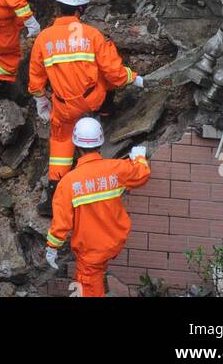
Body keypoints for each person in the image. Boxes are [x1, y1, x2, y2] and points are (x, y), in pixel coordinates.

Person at [29, 0, 144, 214]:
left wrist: (41, 100)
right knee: (105, 73)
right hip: (93, 99)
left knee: (60, 140)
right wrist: (133, 77)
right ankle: (106, 111)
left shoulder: (43, 39)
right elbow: (115, 74)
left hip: (64, 106)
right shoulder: (92, 35)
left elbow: (35, 79)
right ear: (81, 8)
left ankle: (54, 193)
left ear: (59, 5)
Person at [45, 117, 151, 297]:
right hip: (112, 243)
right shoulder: (116, 169)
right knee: (95, 277)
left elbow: (62, 223)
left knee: (88, 286)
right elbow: (141, 174)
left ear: (76, 147)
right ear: (100, 143)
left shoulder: (69, 182)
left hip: (90, 251)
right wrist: (139, 157)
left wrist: (51, 247)